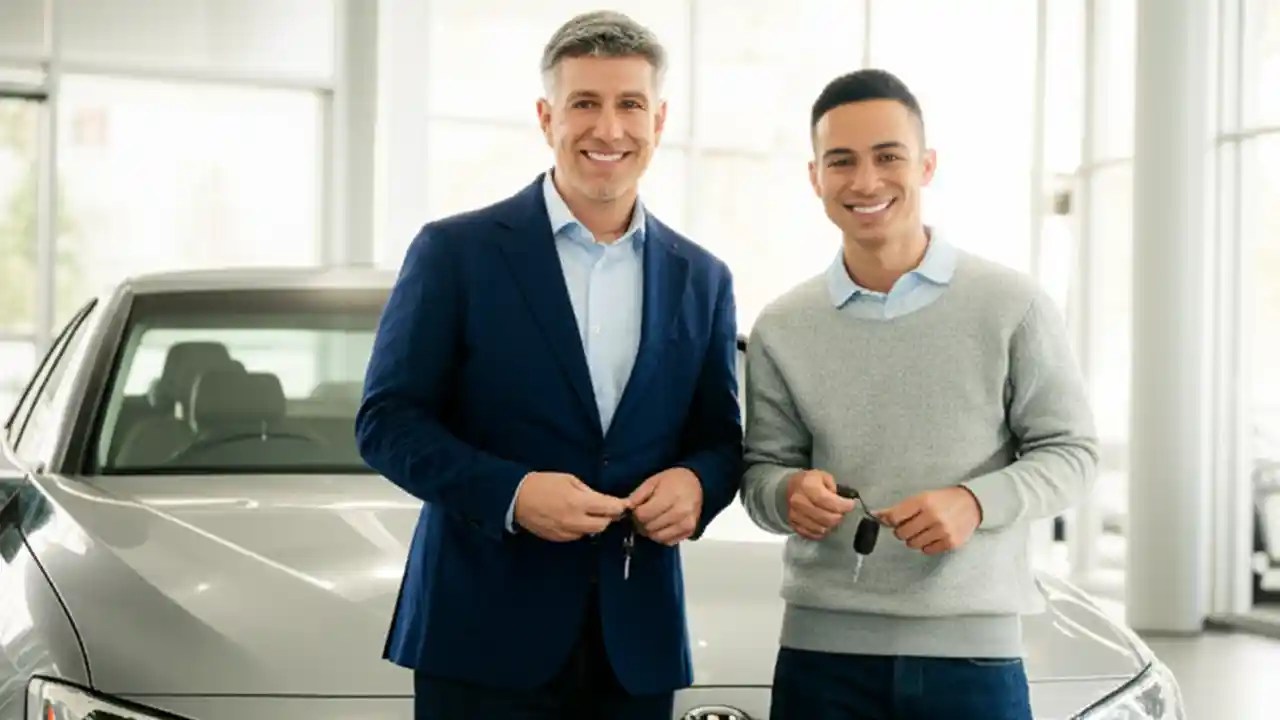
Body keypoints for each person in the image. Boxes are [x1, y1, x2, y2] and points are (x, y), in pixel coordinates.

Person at [355, 10, 742, 720]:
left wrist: (697, 483)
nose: (609, 129)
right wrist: (512, 493)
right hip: (480, 636)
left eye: (629, 105)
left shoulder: (703, 278)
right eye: (584, 104)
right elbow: (387, 421)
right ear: (545, 116)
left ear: (659, 119)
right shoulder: (456, 253)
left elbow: (720, 437)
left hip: (636, 645)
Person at [739, 68, 1099, 720]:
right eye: (841, 161)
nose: (866, 181)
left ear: (926, 165)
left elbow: (1072, 453)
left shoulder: (1011, 305)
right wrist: (786, 494)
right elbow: (761, 473)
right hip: (821, 661)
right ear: (815, 176)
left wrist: (974, 502)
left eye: (888, 157)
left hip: (973, 663)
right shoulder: (782, 327)